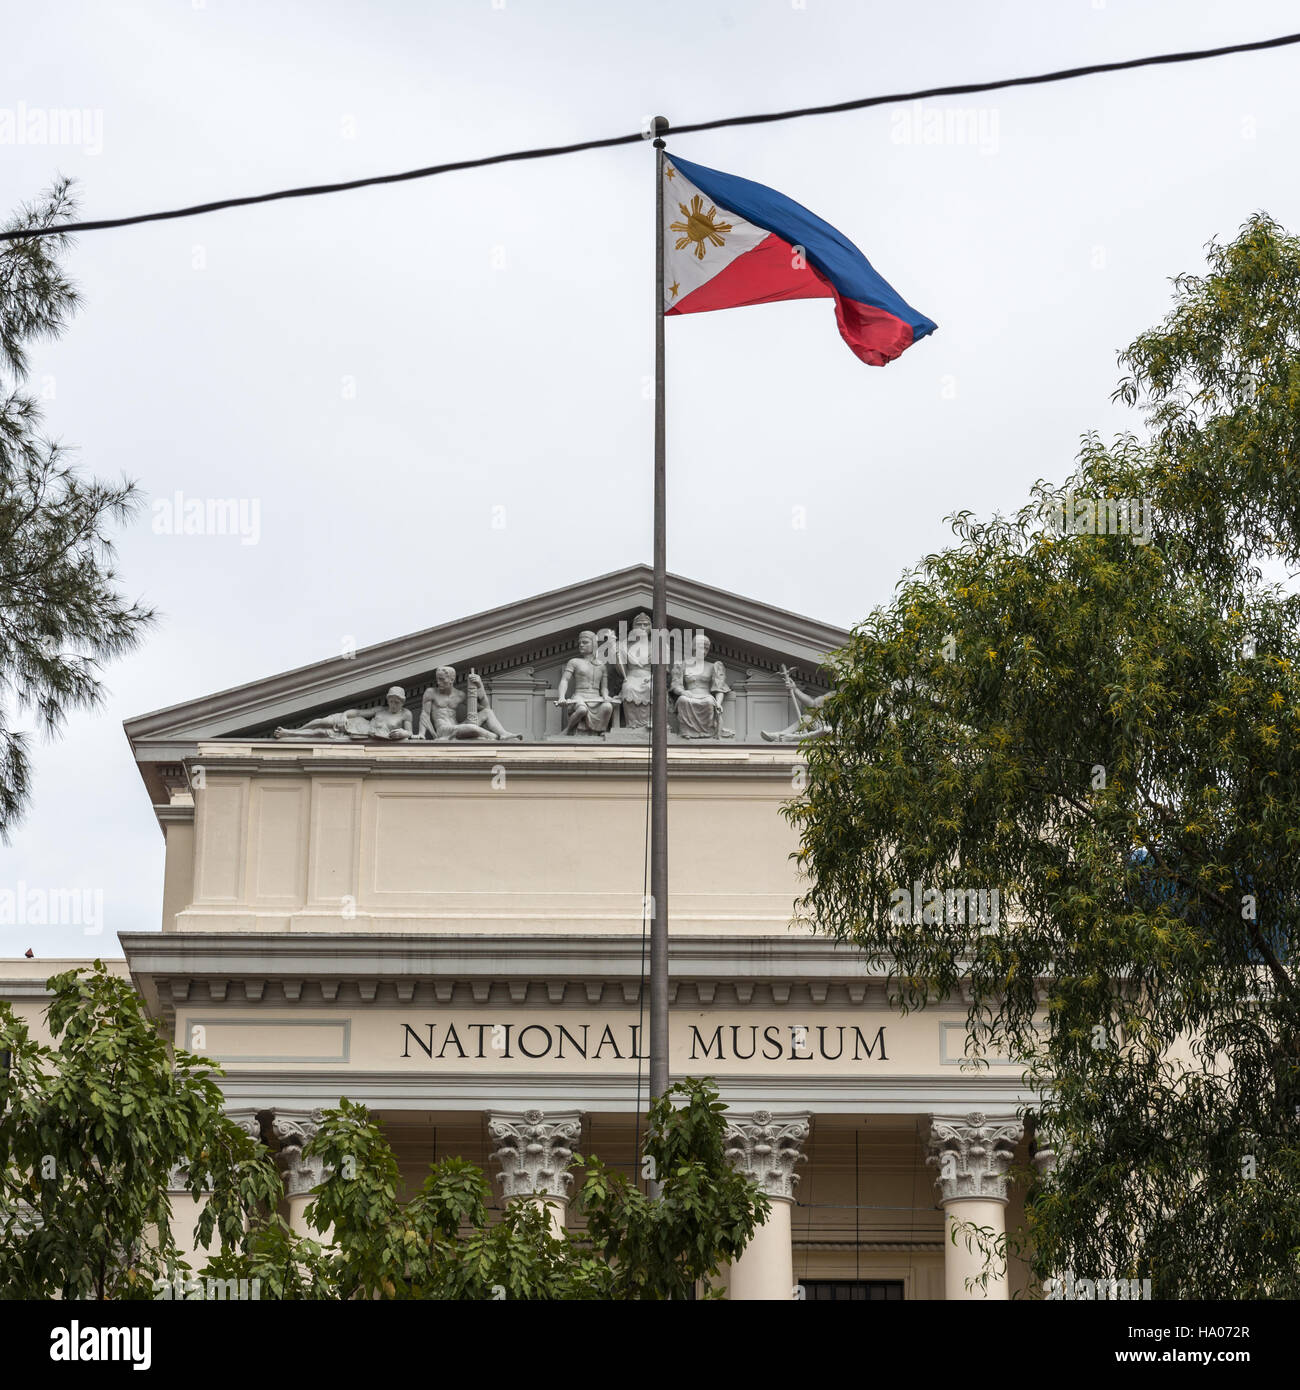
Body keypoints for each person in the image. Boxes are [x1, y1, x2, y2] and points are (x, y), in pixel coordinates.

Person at [275, 687, 413, 741]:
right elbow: (358, 712)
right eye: (391, 701)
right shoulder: (380, 710)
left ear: (403, 702)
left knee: (322, 733)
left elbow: (410, 734)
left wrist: (404, 733)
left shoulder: (406, 714)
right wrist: (344, 716)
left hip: (363, 735)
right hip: (360, 724)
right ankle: (294, 730)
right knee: (324, 722)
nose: (393, 705)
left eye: (397, 702)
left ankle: (290, 734)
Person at [670, 632, 732, 738]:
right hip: (689, 695)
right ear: (693, 648)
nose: (703, 651)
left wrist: (718, 703)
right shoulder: (682, 665)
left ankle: (707, 733)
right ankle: (686, 732)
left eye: (706, 648)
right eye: (700, 648)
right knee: (682, 700)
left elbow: (719, 688)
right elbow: (676, 685)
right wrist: (683, 692)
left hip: (706, 696)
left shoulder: (713, 666)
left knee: (708, 702)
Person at [555, 630, 613, 735]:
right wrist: (561, 697)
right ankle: (568, 729)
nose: (581, 645)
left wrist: (606, 696)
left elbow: (604, 687)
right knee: (582, 709)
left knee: (608, 706)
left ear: (594, 644)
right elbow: (565, 680)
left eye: (585, 642)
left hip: (596, 697)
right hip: (579, 696)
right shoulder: (574, 662)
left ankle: (601, 731)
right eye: (580, 643)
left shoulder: (602, 666)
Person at [761, 666, 830, 741]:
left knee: (825, 729)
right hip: (820, 726)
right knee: (806, 718)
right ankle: (780, 735)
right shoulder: (832, 699)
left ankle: (785, 736)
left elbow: (828, 730)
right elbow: (812, 704)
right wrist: (795, 689)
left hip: (827, 732)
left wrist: (795, 737)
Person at [619, 612, 653, 729]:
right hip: (631, 676)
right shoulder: (625, 646)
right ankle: (632, 723)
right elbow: (620, 668)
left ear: (651, 627)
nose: (643, 628)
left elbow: (663, 670)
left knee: (652, 688)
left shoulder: (657, 646)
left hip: (649, 677)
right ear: (633, 627)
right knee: (628, 688)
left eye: (646, 625)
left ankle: (652, 721)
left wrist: (652, 678)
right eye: (639, 625)